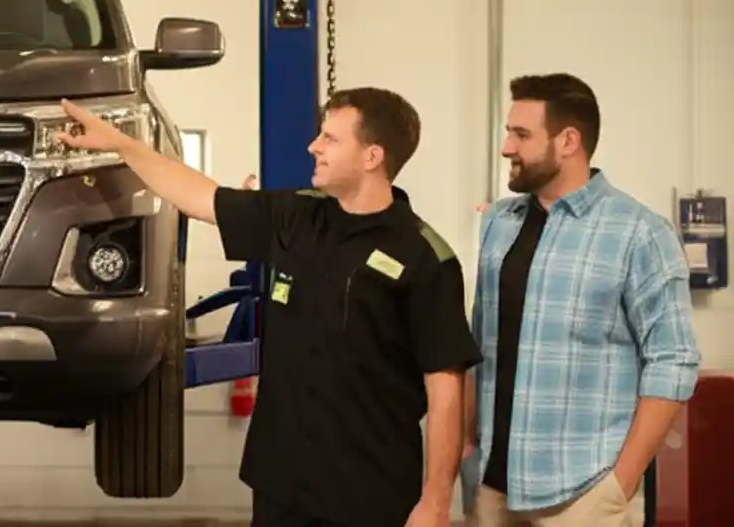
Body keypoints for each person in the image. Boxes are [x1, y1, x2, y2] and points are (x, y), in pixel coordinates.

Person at [56, 87, 482, 527]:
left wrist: (434, 503)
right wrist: (123, 145)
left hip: (372, 490)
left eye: (331, 139)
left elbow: (445, 386)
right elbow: (199, 196)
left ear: (372, 156)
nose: (313, 146)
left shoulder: (426, 258)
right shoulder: (293, 216)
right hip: (282, 483)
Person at [465, 73, 702, 527]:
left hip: (584, 495)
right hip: (494, 488)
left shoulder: (639, 232)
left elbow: (674, 360)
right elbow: (480, 342)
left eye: (521, 134)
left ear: (568, 140)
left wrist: (621, 484)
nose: (506, 148)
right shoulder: (499, 223)